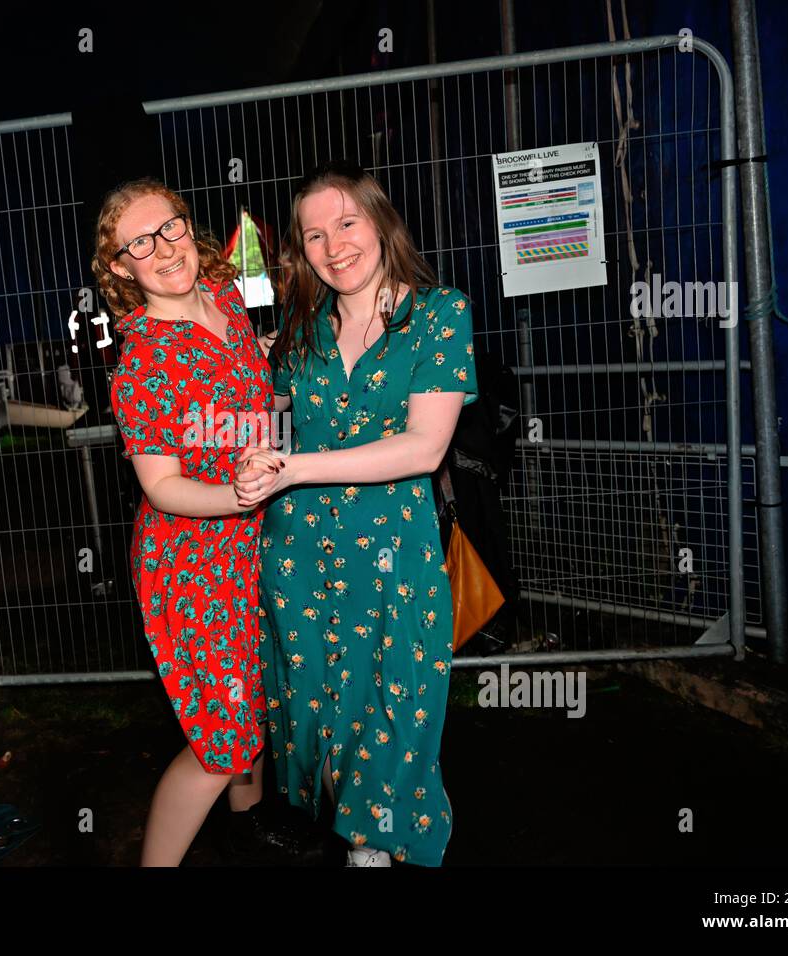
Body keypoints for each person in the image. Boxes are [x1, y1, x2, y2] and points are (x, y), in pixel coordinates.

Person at [235, 160, 479, 866]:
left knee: (398, 704)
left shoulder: (438, 313)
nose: (333, 245)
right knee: (312, 708)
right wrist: (255, 449)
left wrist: (295, 469)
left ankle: (378, 840)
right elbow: (277, 423)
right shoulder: (299, 329)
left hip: (393, 551)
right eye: (313, 235)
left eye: (346, 222)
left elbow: (424, 448)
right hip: (298, 553)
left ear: (381, 223)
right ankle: (350, 836)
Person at [97, 178, 310, 866]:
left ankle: (245, 829)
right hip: (192, 561)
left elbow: (246, 398)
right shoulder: (142, 362)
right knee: (220, 741)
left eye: (171, 227)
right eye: (139, 242)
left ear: (190, 227)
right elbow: (163, 488)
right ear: (121, 266)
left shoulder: (223, 304)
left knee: (248, 705)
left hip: (248, 545)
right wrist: (240, 498)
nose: (162, 247)